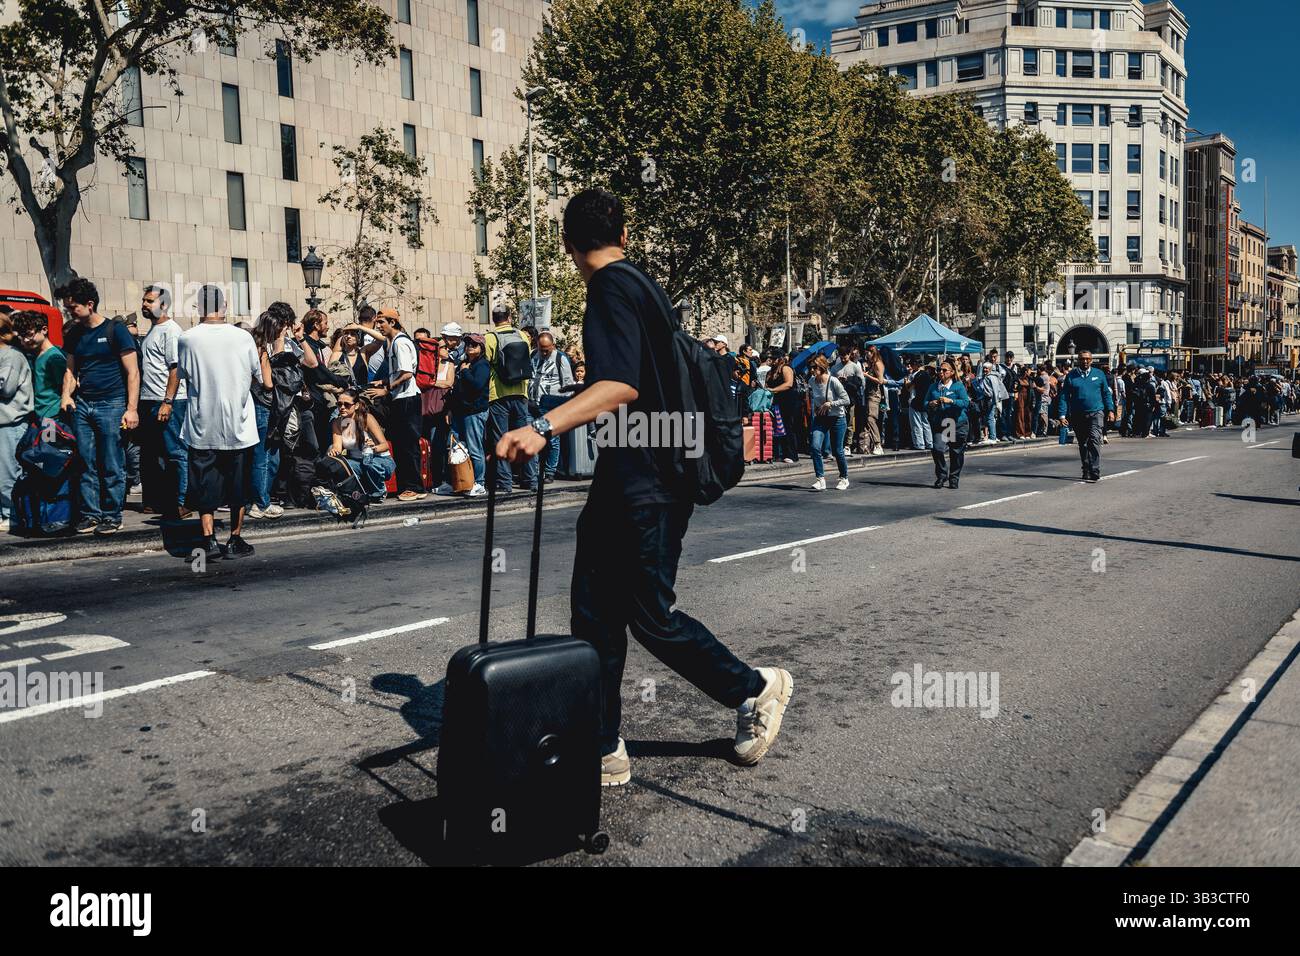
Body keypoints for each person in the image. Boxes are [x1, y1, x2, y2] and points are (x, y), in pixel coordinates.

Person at [494, 187, 793, 787]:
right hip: (633, 476)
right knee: (594, 612)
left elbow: (621, 385)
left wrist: (541, 426)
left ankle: (756, 688)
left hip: (649, 482)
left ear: (566, 244)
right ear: (623, 233)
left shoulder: (608, 290)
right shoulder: (644, 285)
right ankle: (602, 744)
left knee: (648, 615)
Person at [172, 285, 270, 559]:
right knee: (237, 486)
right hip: (238, 423)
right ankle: (235, 538)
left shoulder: (187, 339)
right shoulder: (243, 338)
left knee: (205, 485)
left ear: (199, 307)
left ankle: (208, 539)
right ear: (224, 306)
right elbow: (258, 377)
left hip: (203, 421)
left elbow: (185, 375)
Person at [58, 277, 140, 535]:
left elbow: (133, 372)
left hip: (112, 404)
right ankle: (91, 515)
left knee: (112, 462)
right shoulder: (74, 334)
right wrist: (66, 396)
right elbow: (70, 370)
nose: (69, 311)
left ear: (89, 304)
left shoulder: (116, 330)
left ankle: (112, 515)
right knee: (85, 461)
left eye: (73, 307)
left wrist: (131, 408)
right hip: (83, 404)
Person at [136, 285, 189, 519]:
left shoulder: (171, 330)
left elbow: (175, 368)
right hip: (150, 399)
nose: (145, 305)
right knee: (156, 453)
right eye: (144, 301)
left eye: (150, 301)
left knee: (176, 452)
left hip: (169, 400)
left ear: (164, 305)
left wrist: (167, 401)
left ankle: (183, 501)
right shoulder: (152, 331)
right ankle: (162, 500)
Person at [365, 309, 425, 501]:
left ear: (393, 322)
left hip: (407, 399)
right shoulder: (393, 343)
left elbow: (407, 373)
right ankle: (406, 486)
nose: (379, 326)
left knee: (408, 445)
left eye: (382, 322)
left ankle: (415, 487)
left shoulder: (400, 342)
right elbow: (398, 372)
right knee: (400, 445)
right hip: (400, 398)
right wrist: (382, 381)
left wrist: (386, 389)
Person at [484, 297, 534, 494]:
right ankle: (530, 480)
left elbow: (487, 362)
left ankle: (504, 484)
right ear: (510, 317)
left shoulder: (490, 337)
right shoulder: (522, 336)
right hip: (521, 393)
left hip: (498, 394)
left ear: (493, 319)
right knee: (523, 438)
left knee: (500, 438)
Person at [318, 388, 395, 500]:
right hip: (358, 462)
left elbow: (385, 445)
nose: (342, 407)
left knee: (367, 461)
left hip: (380, 461)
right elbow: (337, 447)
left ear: (356, 405)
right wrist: (333, 450)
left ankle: (379, 492)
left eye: (347, 404)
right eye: (339, 404)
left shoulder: (366, 418)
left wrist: (373, 448)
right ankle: (357, 492)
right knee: (341, 466)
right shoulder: (337, 422)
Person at [1055, 349, 1115, 482]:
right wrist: (1062, 415)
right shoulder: (1071, 375)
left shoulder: (1099, 374)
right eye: (1082, 359)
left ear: (1091, 360)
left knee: (1094, 440)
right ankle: (1086, 468)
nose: (1085, 361)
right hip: (1078, 414)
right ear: (1078, 360)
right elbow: (1064, 396)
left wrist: (1110, 410)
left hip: (1096, 412)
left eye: (1087, 358)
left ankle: (1095, 469)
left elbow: (1106, 393)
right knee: (1083, 444)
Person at [0, 312, 35, 533]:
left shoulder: (11, 356)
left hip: (11, 423)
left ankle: (11, 514)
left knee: (8, 472)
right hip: (5, 422)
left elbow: (6, 387)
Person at [528, 330, 575, 484]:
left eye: (546, 349)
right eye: (541, 349)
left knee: (552, 439)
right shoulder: (534, 355)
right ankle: (533, 472)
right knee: (533, 436)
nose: (544, 352)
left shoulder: (561, 358)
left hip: (549, 407)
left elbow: (568, 385)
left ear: (553, 346)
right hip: (532, 404)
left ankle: (549, 472)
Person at [446, 332, 489, 497]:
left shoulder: (482, 365)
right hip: (459, 411)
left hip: (474, 412)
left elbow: (477, 385)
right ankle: (460, 481)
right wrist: (450, 409)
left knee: (474, 448)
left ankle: (480, 483)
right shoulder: (463, 363)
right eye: (468, 343)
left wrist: (464, 372)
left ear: (481, 348)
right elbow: (456, 389)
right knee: (456, 447)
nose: (470, 346)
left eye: (474, 344)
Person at [12, 309, 67, 426]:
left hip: (51, 416)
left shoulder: (54, 356)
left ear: (44, 330)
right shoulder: (36, 354)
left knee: (49, 443)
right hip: (41, 415)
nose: (26, 340)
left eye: (29, 334)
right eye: (22, 336)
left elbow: (64, 386)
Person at [807, 355, 850, 491]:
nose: (812, 370)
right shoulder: (812, 381)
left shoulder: (833, 381)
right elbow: (813, 396)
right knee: (814, 446)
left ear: (822, 367)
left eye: (814, 367)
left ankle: (844, 478)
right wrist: (815, 407)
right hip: (821, 417)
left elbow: (846, 400)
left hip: (837, 417)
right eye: (811, 368)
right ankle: (820, 479)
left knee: (837, 451)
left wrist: (830, 403)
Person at [925, 359, 970, 489]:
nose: (941, 372)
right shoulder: (934, 387)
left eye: (944, 370)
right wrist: (930, 404)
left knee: (955, 453)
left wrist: (951, 401)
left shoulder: (958, 386)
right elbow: (925, 402)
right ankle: (942, 475)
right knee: (938, 448)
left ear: (951, 372)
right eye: (940, 370)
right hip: (942, 422)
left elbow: (965, 403)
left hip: (956, 422)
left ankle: (954, 478)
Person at [765, 351, 799, 463]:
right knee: (778, 428)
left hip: (788, 401)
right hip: (776, 402)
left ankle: (791, 454)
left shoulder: (785, 368)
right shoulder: (771, 371)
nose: (772, 361)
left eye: (774, 359)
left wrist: (774, 390)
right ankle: (778, 453)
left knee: (788, 427)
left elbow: (788, 383)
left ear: (780, 359)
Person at [904, 355, 934, 450]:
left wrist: (906, 381)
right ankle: (929, 443)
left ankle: (919, 444)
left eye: (911, 364)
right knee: (925, 423)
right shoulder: (927, 375)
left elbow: (909, 388)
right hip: (925, 402)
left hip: (915, 401)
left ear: (915, 365)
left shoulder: (916, 375)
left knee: (916, 424)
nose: (910, 366)